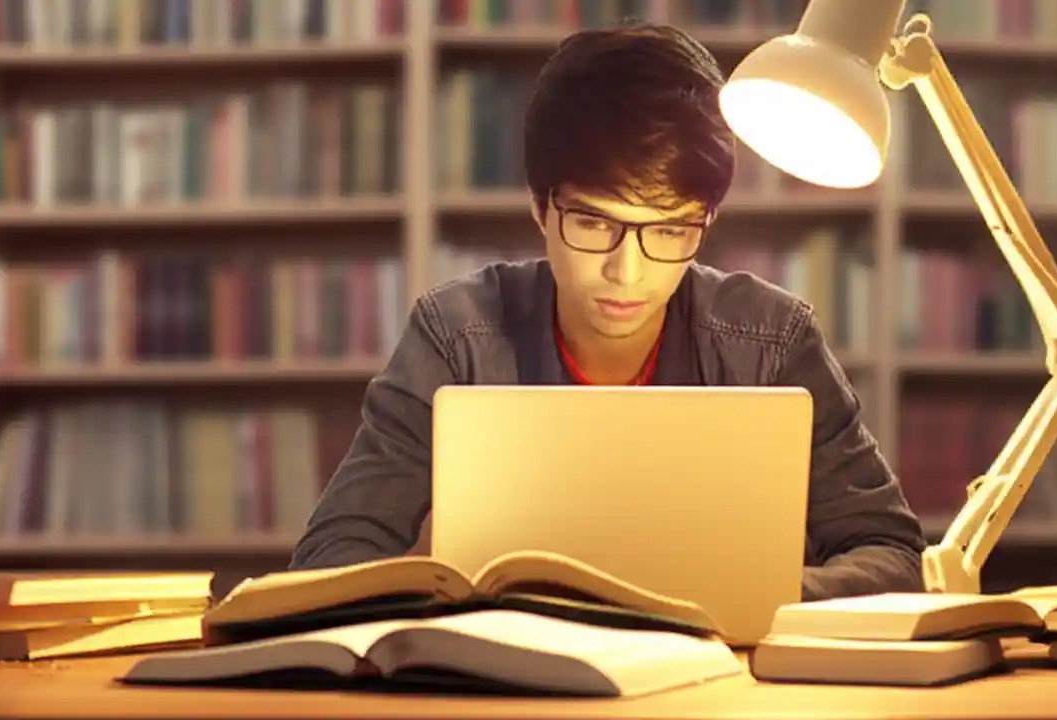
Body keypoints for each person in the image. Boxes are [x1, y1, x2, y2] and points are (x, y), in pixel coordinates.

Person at [290, 22, 926, 600]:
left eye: (670, 230)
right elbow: (331, 557)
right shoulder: (458, 337)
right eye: (594, 223)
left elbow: (892, 554)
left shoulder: (771, 341)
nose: (628, 271)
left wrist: (753, 596)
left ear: (706, 222)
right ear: (540, 206)